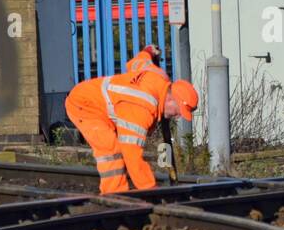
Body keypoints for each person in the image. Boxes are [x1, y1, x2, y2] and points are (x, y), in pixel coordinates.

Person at [65, 48, 198, 194]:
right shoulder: (142, 106)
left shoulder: (158, 76)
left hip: (104, 106)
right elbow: (132, 153)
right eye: (178, 111)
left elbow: (139, 62)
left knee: (118, 148)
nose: (177, 116)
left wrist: (149, 51)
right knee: (111, 150)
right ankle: (115, 196)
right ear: (171, 99)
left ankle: (119, 191)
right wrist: (150, 189)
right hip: (84, 105)